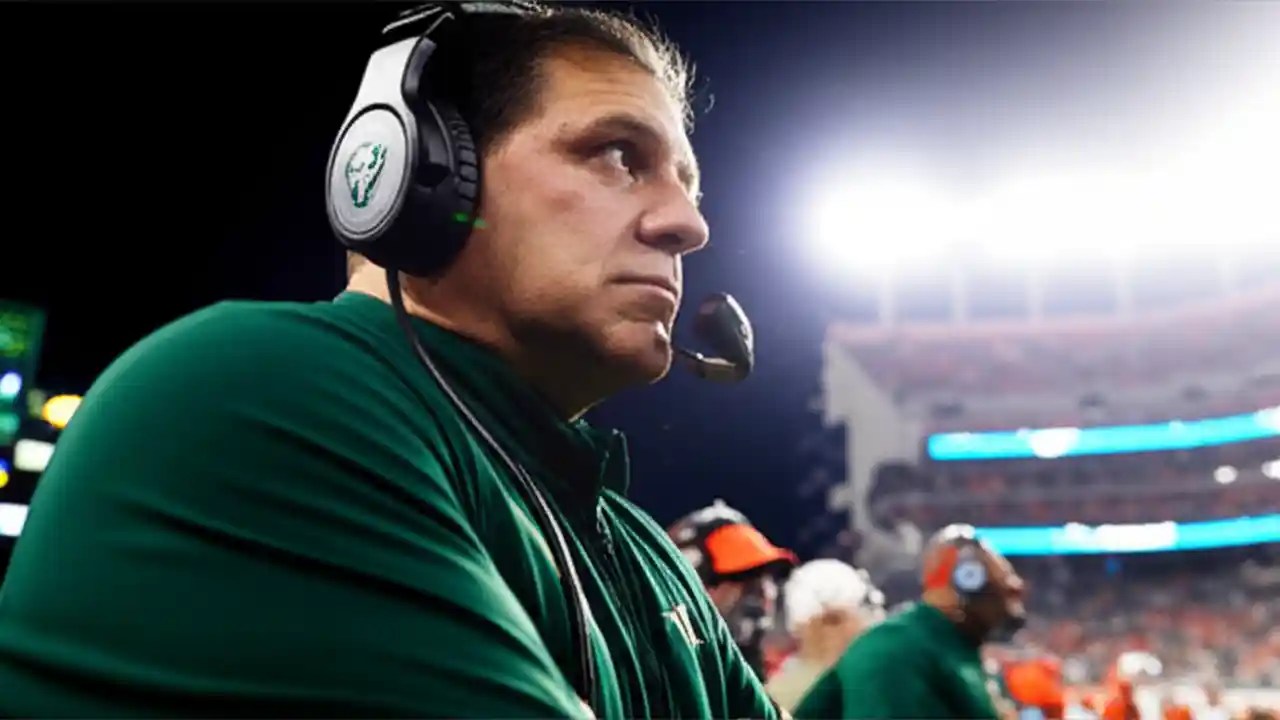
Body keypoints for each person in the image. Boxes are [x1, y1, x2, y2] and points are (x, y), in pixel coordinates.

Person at [0, 4, 785, 719]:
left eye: (689, 185)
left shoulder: (648, 554)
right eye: (618, 155)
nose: (689, 224)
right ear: (420, 174)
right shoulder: (255, 390)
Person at [794, 523, 1028, 719]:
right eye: (1006, 588)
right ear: (969, 580)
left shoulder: (953, 645)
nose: (1018, 591)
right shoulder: (895, 650)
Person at [668, 500, 799, 679]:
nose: (762, 591)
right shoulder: (652, 682)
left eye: (766, 576)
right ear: (689, 586)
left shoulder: (784, 681)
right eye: (742, 577)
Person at [765, 558, 886, 713]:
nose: (867, 622)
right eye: (862, 608)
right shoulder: (850, 688)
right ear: (830, 621)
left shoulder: (777, 691)